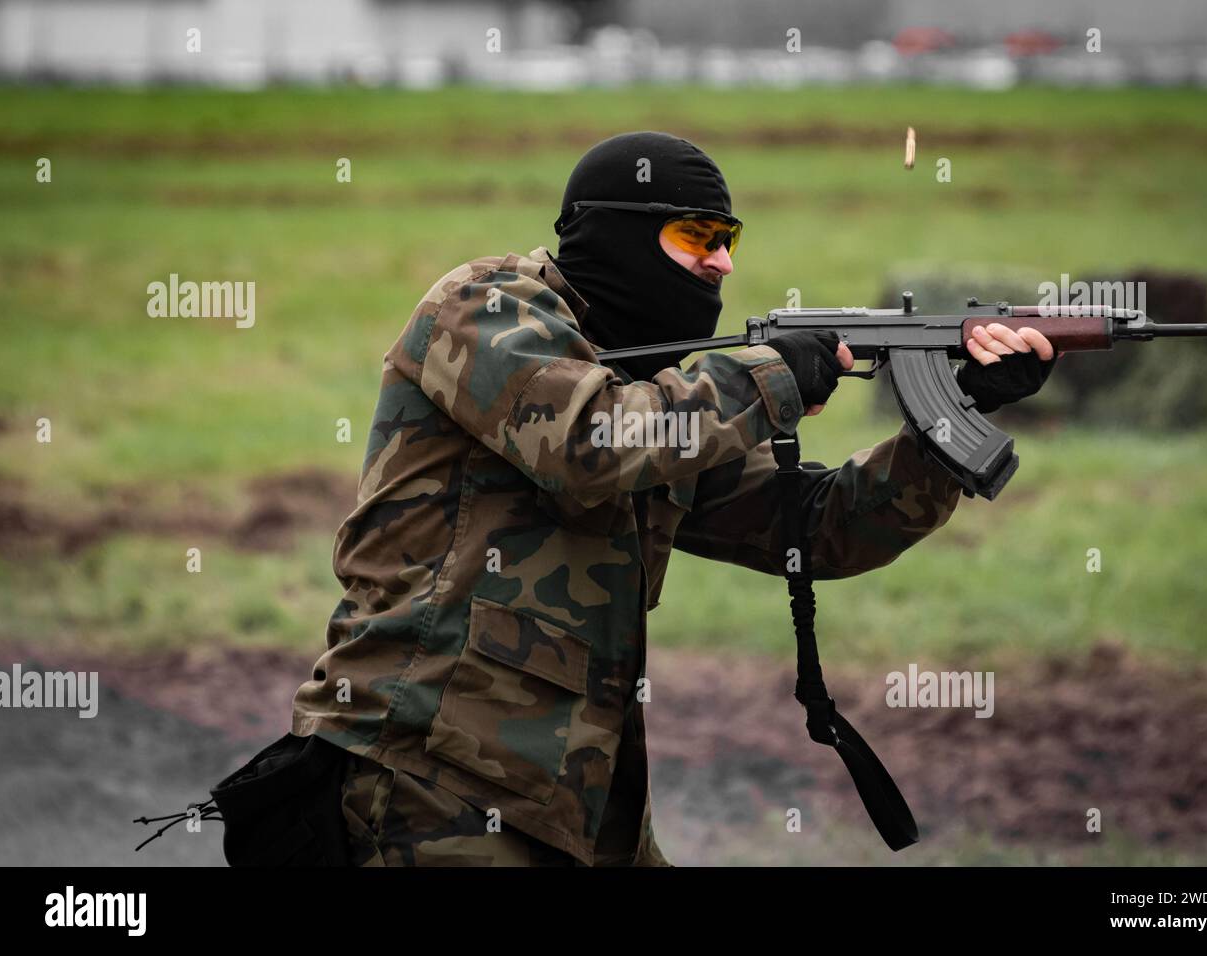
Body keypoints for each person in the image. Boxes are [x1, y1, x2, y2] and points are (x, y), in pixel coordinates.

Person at [289, 131, 1056, 866]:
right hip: (424, 782)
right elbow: (586, 445)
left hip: (577, 806)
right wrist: (771, 378)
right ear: (620, 235)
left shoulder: (660, 404)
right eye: (697, 237)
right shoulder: (484, 306)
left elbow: (818, 530)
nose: (722, 262)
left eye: (730, 241)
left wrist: (953, 420)